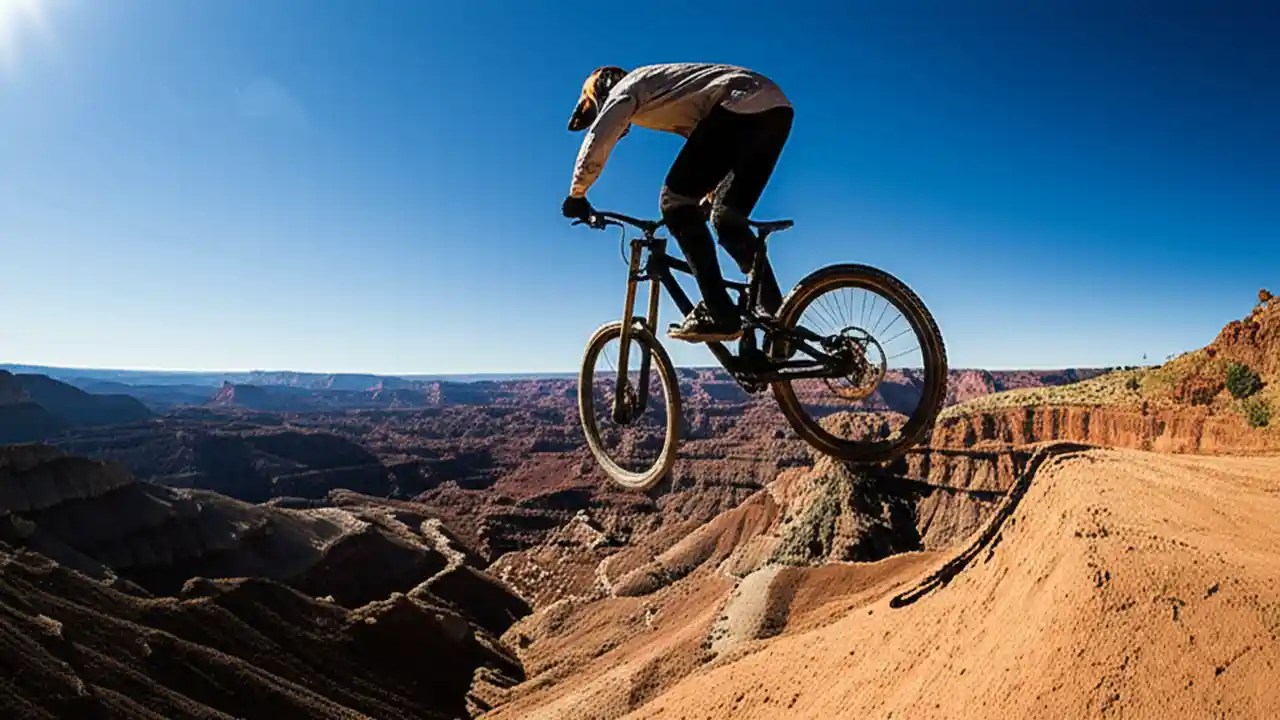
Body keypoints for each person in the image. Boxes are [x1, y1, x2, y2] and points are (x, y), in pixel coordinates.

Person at [562, 63, 793, 342]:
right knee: (726, 219)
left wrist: (577, 194)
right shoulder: (669, 91)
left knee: (673, 202)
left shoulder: (627, 87)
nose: (597, 113)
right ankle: (782, 325)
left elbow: (600, 136)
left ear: (600, 91)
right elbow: (711, 148)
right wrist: (708, 198)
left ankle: (719, 311)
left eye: (594, 108)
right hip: (775, 112)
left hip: (740, 104)